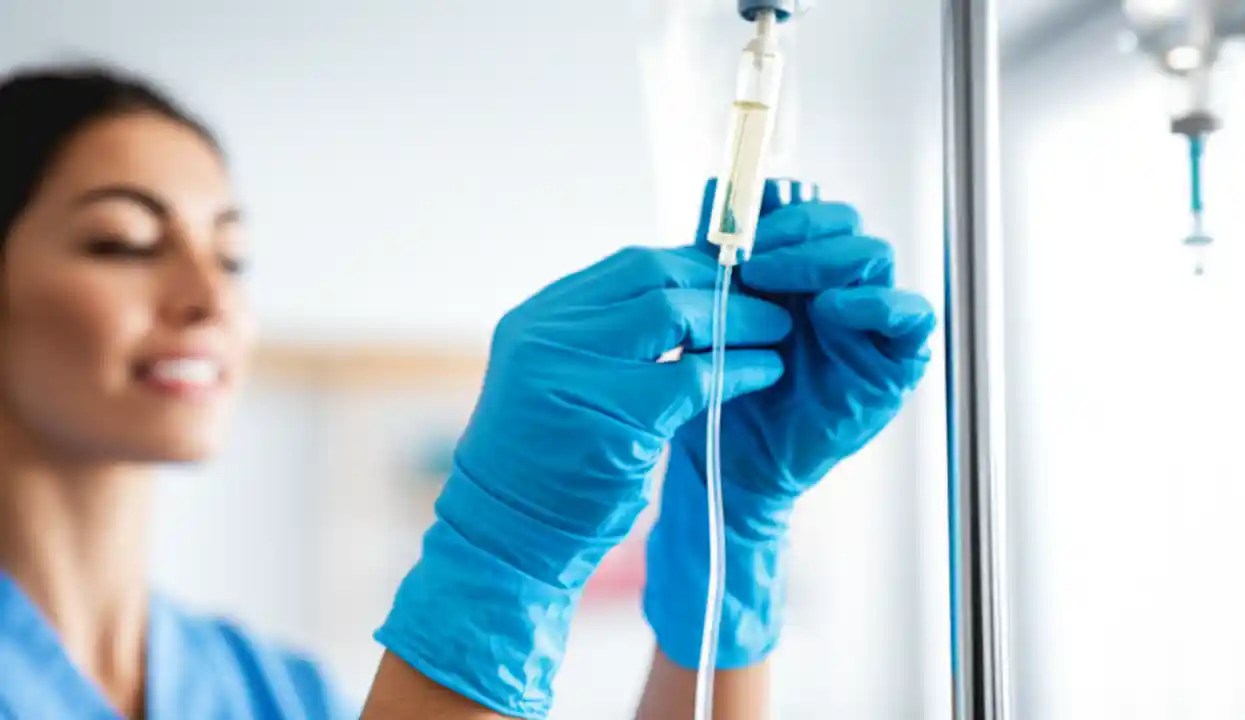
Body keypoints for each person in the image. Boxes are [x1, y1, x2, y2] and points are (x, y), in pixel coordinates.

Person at [0, 63, 935, 720]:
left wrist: (728, 542)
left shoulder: (269, 691)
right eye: (122, 241)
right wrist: (501, 567)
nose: (210, 298)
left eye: (233, 256)